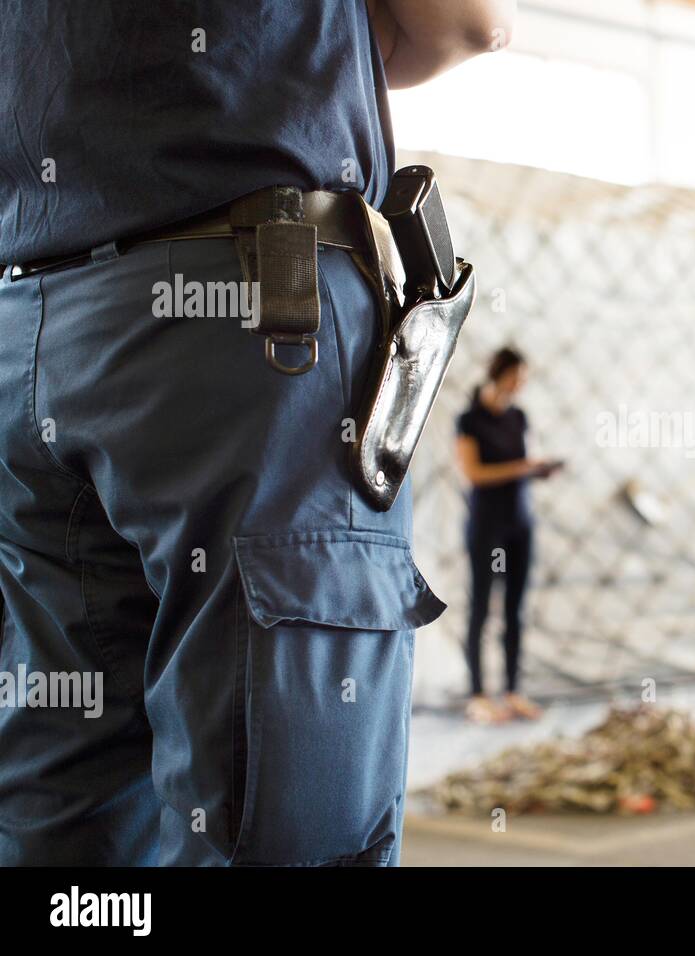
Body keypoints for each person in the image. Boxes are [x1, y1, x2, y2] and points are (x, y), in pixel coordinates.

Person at [0, 1, 516, 867]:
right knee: (284, 824)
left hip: (31, 336)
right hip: (250, 323)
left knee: (62, 823)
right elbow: (462, 23)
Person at [455, 348, 561, 724]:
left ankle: (513, 690)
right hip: (487, 524)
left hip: (520, 523)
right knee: (482, 608)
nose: (521, 385)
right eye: (517, 376)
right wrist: (521, 467)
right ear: (499, 374)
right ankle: (478, 694)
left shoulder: (519, 416)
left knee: (515, 610)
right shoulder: (469, 420)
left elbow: (522, 464)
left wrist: (537, 470)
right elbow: (475, 474)